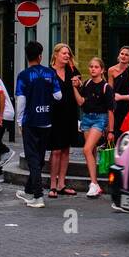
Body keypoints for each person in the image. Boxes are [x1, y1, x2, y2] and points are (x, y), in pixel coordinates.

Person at [15, 41, 62, 208]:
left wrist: (20, 121)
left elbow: (21, 100)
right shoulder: (50, 73)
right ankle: (29, 190)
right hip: (46, 121)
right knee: (39, 158)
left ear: (27, 56)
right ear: (40, 56)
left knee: (33, 159)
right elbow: (58, 96)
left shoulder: (23, 75)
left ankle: (37, 196)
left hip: (31, 121)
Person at [75, 56, 114, 198]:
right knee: (91, 150)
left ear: (102, 70)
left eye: (96, 67)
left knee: (86, 149)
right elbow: (80, 102)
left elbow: (110, 111)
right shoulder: (86, 84)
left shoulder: (106, 88)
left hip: (100, 119)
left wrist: (110, 130)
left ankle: (93, 184)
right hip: (86, 118)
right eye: (91, 66)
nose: (93, 69)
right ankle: (95, 181)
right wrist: (75, 88)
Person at [49, 43, 80, 198]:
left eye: (68, 53)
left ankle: (61, 184)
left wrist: (78, 84)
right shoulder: (49, 73)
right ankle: (52, 185)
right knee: (56, 150)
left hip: (70, 114)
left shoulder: (72, 70)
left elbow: (79, 89)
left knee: (66, 149)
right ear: (56, 55)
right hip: (55, 115)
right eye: (64, 53)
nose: (67, 56)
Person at [109, 46, 129, 137]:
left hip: (127, 105)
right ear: (118, 55)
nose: (123, 56)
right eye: (122, 54)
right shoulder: (111, 70)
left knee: (125, 133)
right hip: (115, 105)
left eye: (126, 55)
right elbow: (110, 89)